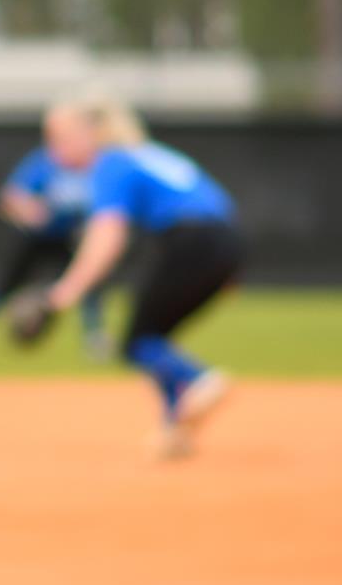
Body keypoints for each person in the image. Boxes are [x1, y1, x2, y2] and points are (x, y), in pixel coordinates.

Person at [37, 95, 243, 457]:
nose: (53, 152)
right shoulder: (149, 153)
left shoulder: (111, 162)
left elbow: (107, 237)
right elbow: (216, 203)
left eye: (59, 139)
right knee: (153, 337)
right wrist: (228, 268)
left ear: (90, 133)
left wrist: (64, 292)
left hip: (192, 240)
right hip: (225, 241)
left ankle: (199, 381)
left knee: (136, 341)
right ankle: (175, 431)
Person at [0, 143, 109, 361]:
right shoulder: (45, 163)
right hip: (34, 237)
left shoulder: (93, 167)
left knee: (87, 281)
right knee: (2, 285)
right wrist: (31, 212)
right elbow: (9, 198)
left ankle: (95, 337)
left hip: (70, 237)